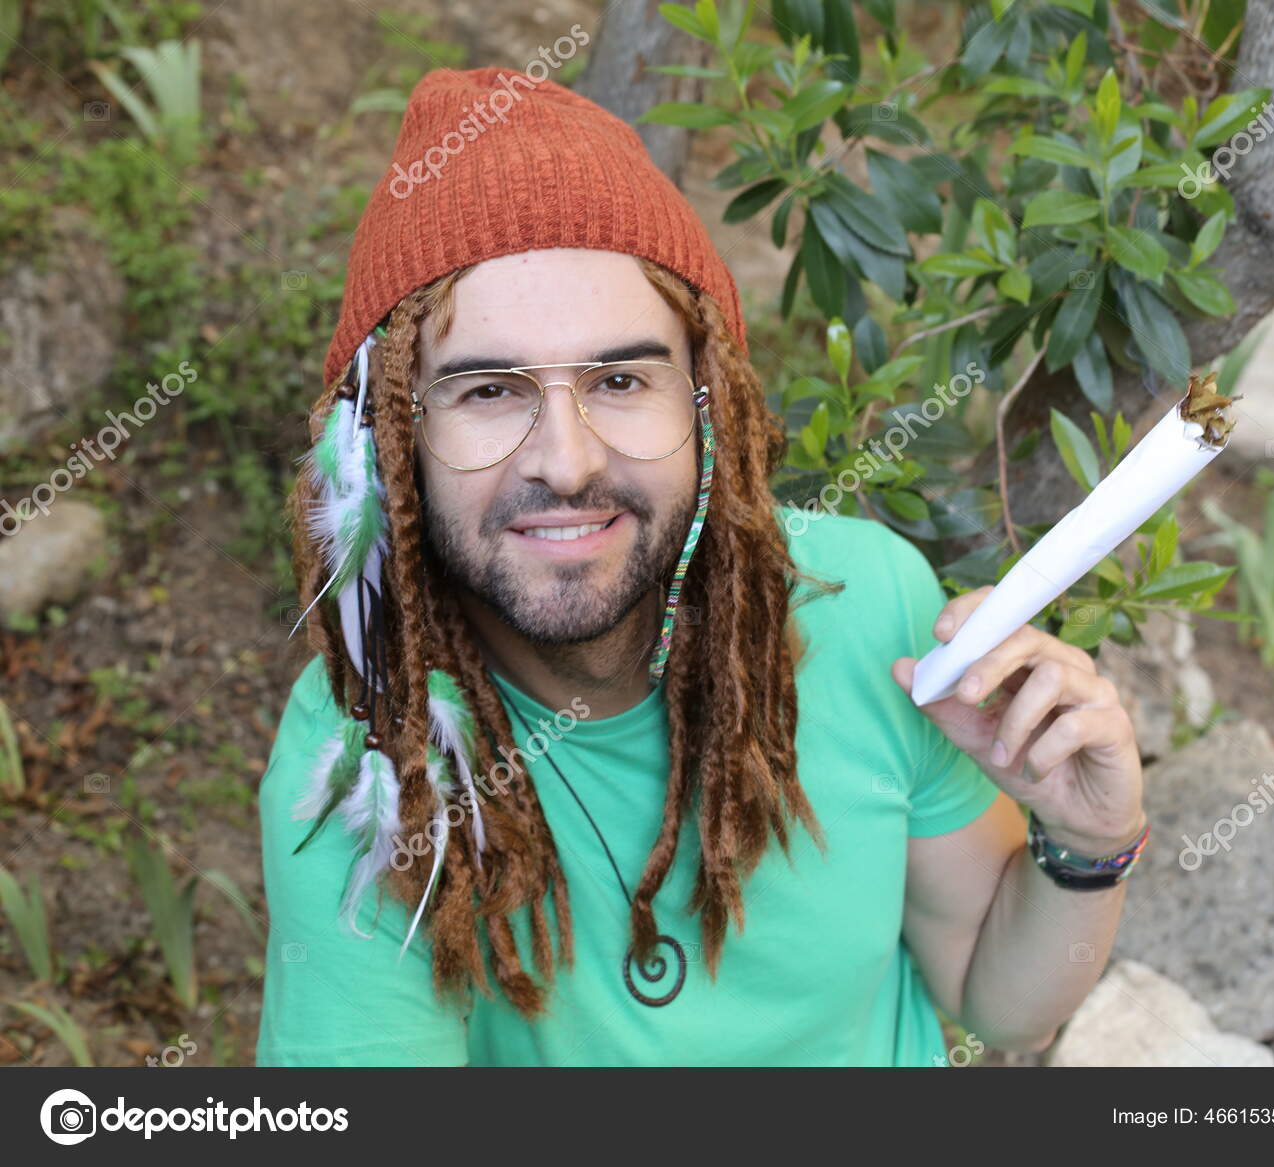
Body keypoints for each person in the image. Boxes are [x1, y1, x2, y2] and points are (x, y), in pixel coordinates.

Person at [255, 68, 1148, 1067]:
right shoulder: (371, 763)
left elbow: (999, 1004)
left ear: (707, 404)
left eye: (622, 379)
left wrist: (1083, 841)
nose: (569, 458)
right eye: (490, 391)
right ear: (387, 448)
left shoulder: (869, 608)